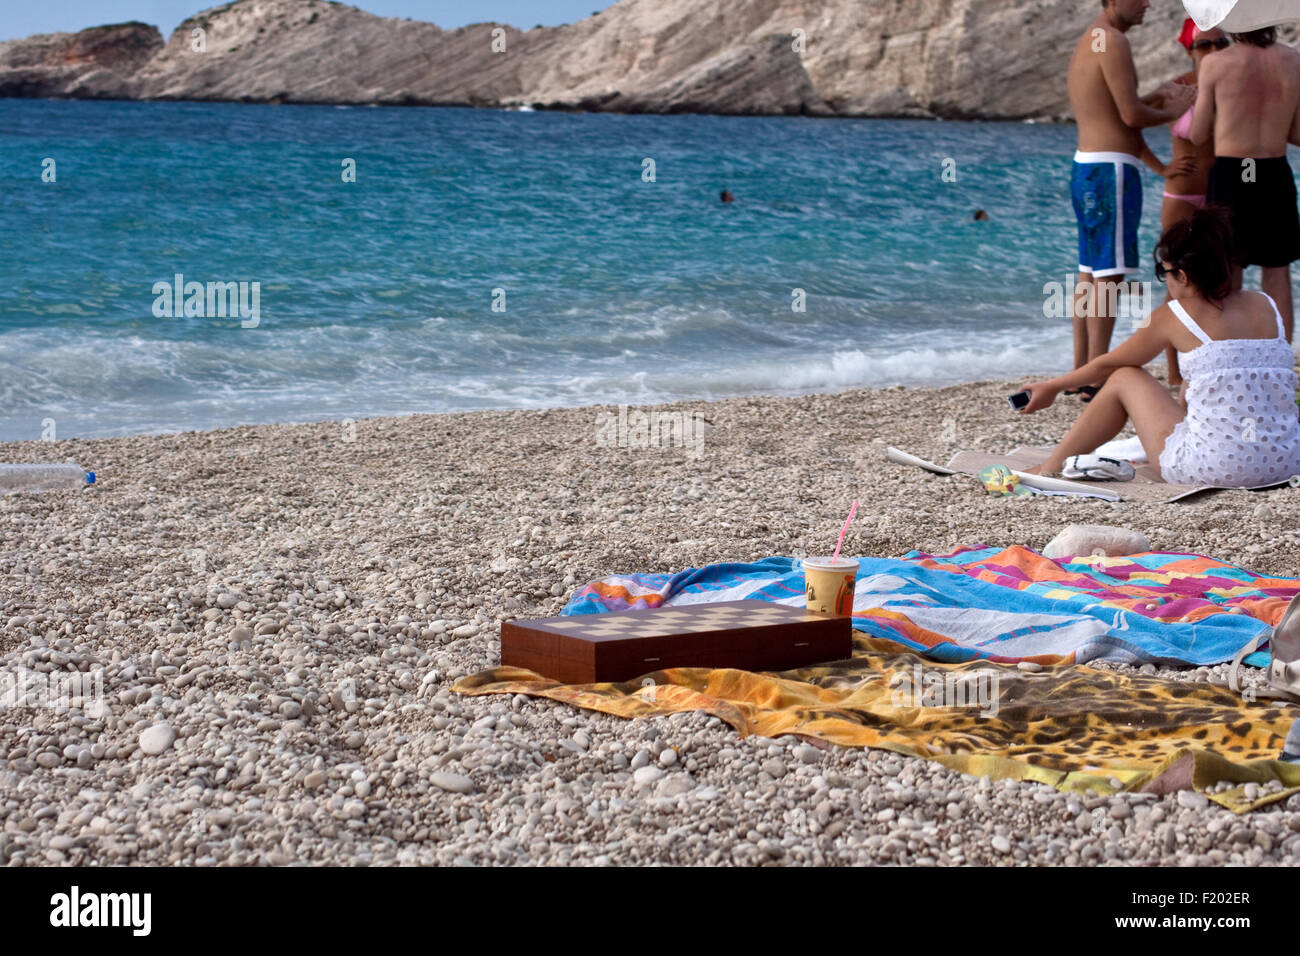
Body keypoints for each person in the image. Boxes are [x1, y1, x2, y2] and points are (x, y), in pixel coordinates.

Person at [1017, 207, 1300, 487]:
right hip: (1285, 462)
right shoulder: (1266, 304)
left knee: (1125, 376)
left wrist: (1052, 386)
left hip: (1218, 469)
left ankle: (1050, 467)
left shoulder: (1174, 314)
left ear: (1183, 276)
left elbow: (1107, 364)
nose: (1165, 280)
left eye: (1163, 272)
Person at [1067, 0, 1195, 399]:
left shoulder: (1093, 38)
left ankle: (1081, 369)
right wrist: (1176, 107)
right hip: (1111, 174)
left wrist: (1160, 166)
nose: (1147, 4)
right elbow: (1131, 117)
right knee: (1109, 276)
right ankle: (1094, 378)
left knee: (1090, 271)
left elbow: (1115, 118)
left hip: (1088, 167)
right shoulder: (1114, 40)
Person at [1190, 25, 1300, 341]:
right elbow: (1296, 134)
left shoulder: (1215, 63)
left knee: (1228, 268)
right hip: (1272, 172)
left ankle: (1232, 352)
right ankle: (1278, 356)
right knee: (1277, 272)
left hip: (1233, 172)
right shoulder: (1293, 60)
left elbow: (1198, 134)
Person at [1160, 19, 1229, 386]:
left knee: (1220, 280)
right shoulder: (1177, 89)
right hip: (1182, 195)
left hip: (1219, 197)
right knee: (1176, 280)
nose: (1214, 50)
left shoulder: (1231, 84)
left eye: (1222, 43)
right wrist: (1159, 165)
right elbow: (1123, 119)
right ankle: (1173, 370)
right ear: (1189, 49)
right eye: (1204, 44)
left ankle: (1215, 357)